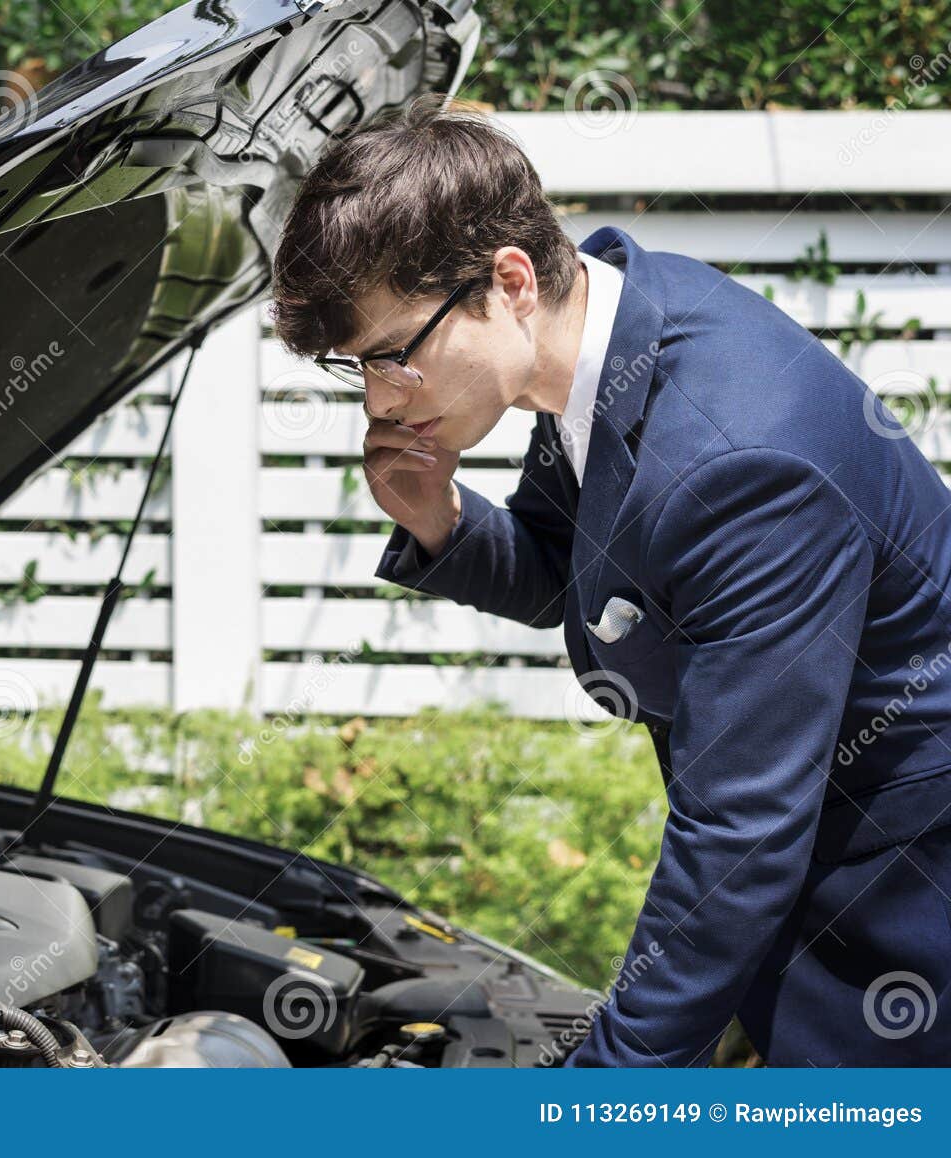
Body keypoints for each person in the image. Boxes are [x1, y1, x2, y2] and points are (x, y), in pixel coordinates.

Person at [269, 97, 951, 1066]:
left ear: (505, 281)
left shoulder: (740, 463)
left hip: (901, 902)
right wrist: (439, 520)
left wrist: (600, 1091)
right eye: (359, 370)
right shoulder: (611, 325)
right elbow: (588, 581)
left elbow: (741, 832)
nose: (381, 398)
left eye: (392, 357)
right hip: (809, 853)